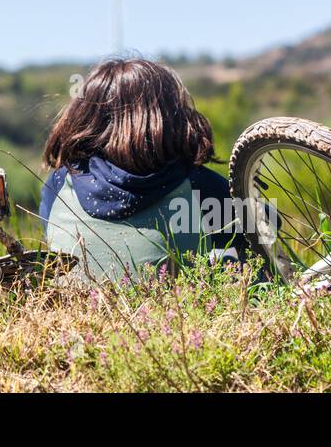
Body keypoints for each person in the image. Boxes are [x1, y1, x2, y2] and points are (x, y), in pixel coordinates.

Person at [39, 56, 241, 280]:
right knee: (233, 262)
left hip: (75, 310)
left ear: (84, 117)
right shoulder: (198, 185)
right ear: (168, 117)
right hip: (174, 311)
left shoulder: (58, 184)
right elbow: (262, 231)